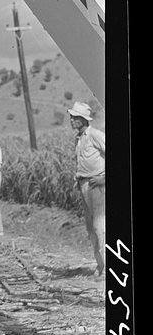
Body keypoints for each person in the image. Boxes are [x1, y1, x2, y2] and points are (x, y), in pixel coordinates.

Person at [68, 101, 106, 277]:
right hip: (84, 184)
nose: (71, 120)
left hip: (96, 184)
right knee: (91, 228)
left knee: (100, 226)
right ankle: (100, 266)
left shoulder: (95, 135)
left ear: (83, 119)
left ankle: (108, 268)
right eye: (71, 117)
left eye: (74, 117)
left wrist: (104, 178)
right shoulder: (79, 139)